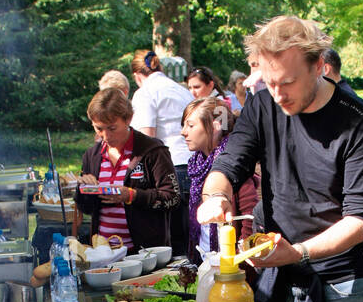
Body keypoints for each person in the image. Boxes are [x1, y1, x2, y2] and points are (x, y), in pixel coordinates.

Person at [198, 14, 363, 302]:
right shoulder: (263, 105)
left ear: (319, 66)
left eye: (287, 82)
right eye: (269, 82)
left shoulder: (359, 122)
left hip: (345, 277)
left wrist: (299, 252)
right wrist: (216, 194)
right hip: (279, 279)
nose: (278, 94)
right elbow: (230, 161)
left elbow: (360, 221)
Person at [78, 87, 180, 253]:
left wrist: (132, 195)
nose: (105, 136)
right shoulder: (92, 155)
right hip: (103, 253)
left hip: (144, 253)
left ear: (128, 119)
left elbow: (173, 198)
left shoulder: (152, 150)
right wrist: (83, 189)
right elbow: (87, 209)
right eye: (98, 128)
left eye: (112, 128)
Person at [181, 97, 258, 263]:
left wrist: (238, 257)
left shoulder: (234, 165)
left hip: (232, 265)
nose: (183, 132)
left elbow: (250, 219)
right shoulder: (197, 165)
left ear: (215, 127)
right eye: (184, 125)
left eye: (191, 125)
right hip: (206, 259)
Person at [130, 49, 191, 253]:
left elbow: (146, 137)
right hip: (191, 164)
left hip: (168, 169)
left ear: (137, 75)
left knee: (171, 238)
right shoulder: (182, 90)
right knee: (189, 235)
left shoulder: (144, 93)